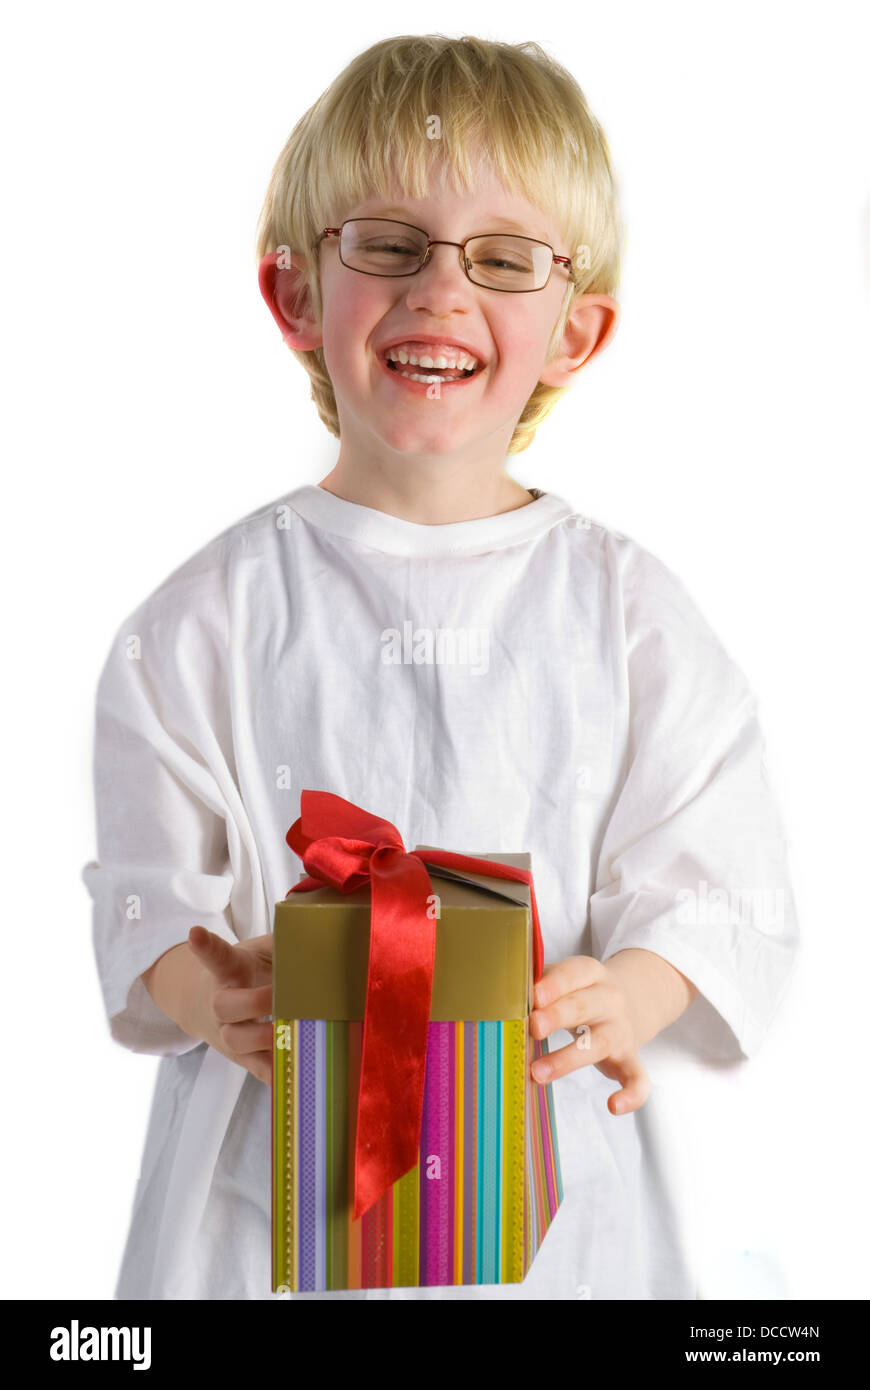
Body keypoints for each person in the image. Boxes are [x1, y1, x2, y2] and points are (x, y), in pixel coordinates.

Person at [81, 33, 799, 1300]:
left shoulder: (625, 612)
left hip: (544, 1171)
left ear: (576, 331)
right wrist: (210, 994)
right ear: (297, 296)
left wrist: (630, 989)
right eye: (388, 245)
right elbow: (144, 888)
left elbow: (713, 873)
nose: (441, 293)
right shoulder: (207, 618)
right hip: (268, 1196)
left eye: (504, 258)